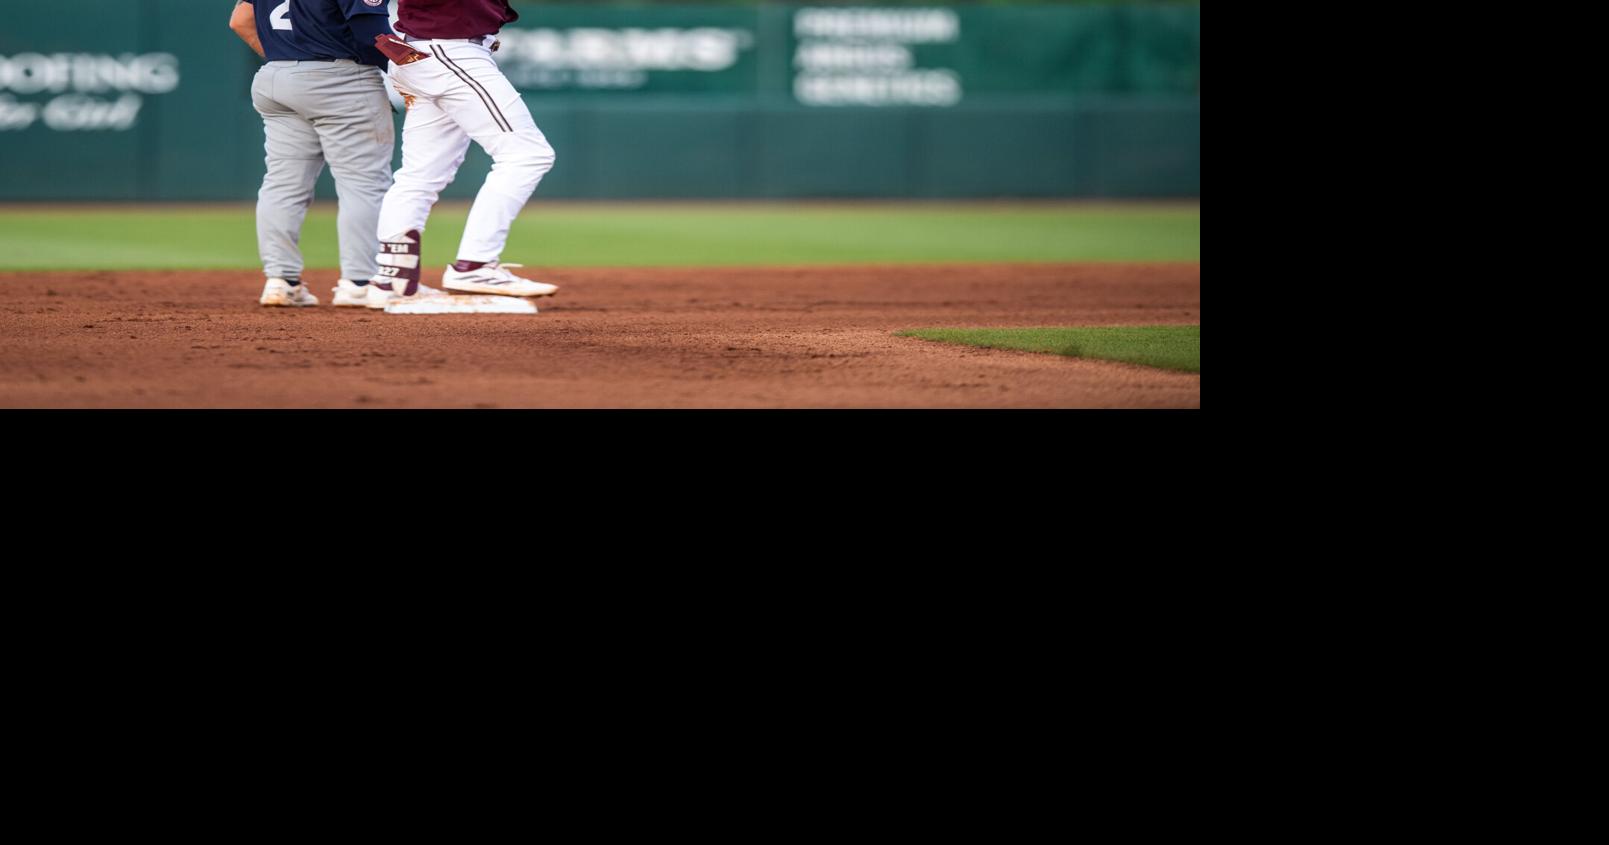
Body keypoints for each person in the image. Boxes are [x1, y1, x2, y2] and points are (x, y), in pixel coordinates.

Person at [365, 0, 559, 307]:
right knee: (528, 154)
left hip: (426, 51)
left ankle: (393, 280)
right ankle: (476, 265)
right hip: (449, 50)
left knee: (420, 175)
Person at [229, 0, 398, 308]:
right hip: (340, 78)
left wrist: (293, 66)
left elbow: (240, 20)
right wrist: (409, 74)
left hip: (275, 76)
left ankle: (281, 281)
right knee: (364, 183)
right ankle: (360, 282)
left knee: (283, 184)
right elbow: (370, 31)